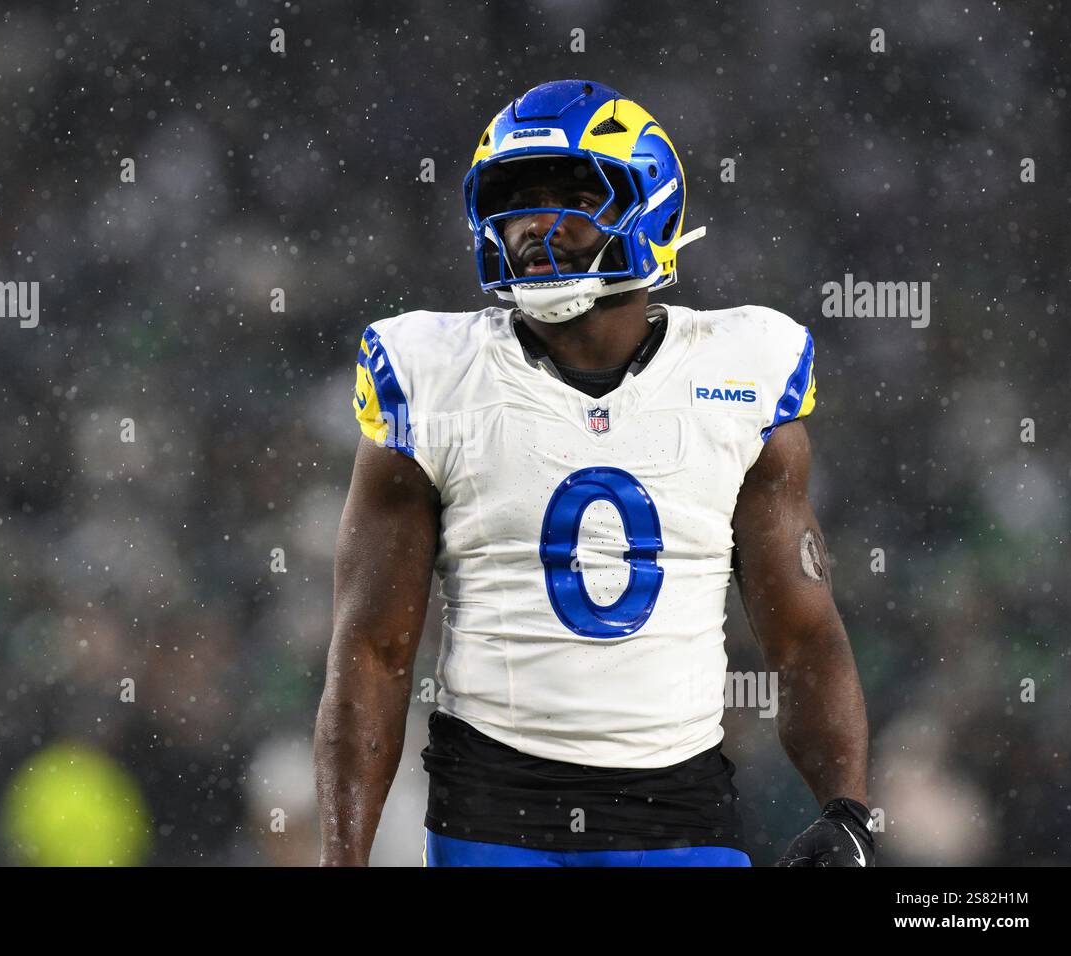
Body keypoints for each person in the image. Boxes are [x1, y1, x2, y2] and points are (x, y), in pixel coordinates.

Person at [315, 79, 875, 867]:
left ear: (652, 204)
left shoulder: (740, 373)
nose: (537, 224)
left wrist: (847, 810)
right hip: (490, 814)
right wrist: (342, 860)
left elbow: (804, 634)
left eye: (573, 195)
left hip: (680, 813)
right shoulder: (432, 377)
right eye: (517, 199)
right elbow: (371, 650)